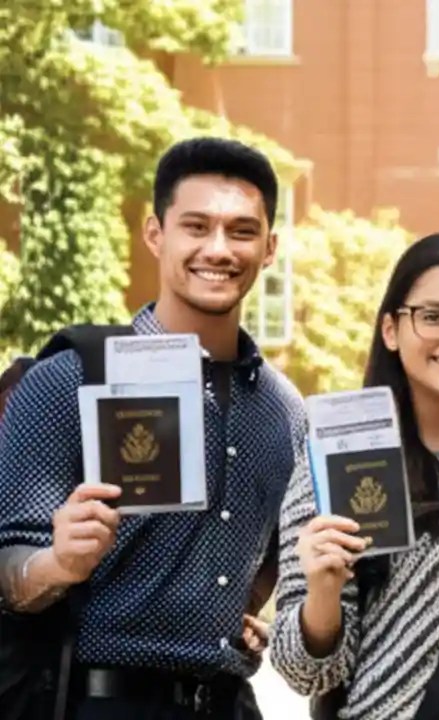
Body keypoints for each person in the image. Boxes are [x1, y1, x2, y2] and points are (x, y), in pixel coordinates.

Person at [0, 137, 299, 719]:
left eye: (242, 231)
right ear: (155, 234)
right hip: (97, 703)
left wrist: (244, 606)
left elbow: (270, 554)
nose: (218, 248)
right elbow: (5, 564)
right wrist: (58, 564)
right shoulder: (71, 380)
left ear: (269, 248)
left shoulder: (283, 410)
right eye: (196, 226)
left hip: (228, 705)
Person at [269, 232, 439, 719]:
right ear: (391, 330)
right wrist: (324, 590)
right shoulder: (336, 465)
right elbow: (303, 673)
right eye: (433, 316)